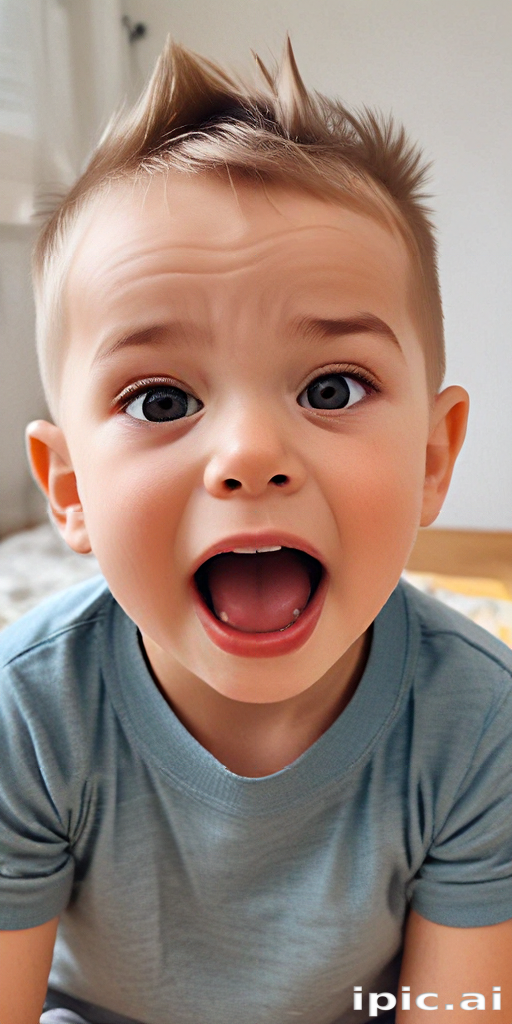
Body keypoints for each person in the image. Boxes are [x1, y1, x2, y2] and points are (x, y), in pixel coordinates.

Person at [0, 37, 511, 1024]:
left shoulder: (476, 727)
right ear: (67, 487)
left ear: (432, 458)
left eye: (330, 388)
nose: (248, 454)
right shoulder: (29, 714)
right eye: (159, 400)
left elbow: (460, 1006)